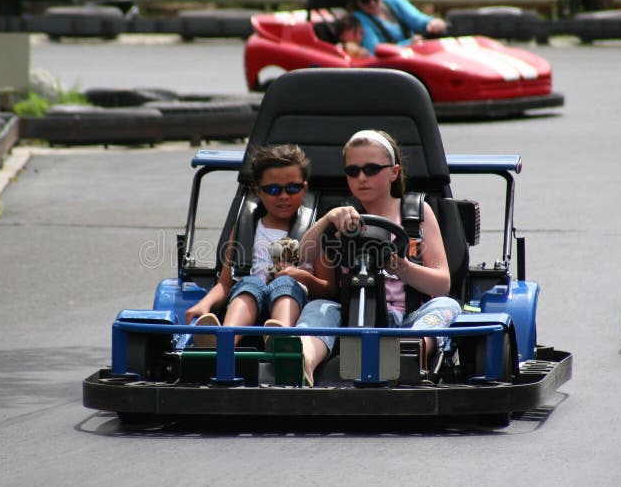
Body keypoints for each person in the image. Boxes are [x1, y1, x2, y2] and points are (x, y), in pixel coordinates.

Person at [296, 129, 461, 362]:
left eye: (371, 169)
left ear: (393, 173)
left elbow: (442, 283)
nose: (362, 177)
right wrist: (326, 220)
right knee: (318, 308)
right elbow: (302, 255)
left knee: (446, 305)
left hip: (408, 316)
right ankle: (305, 360)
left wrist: (403, 268)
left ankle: (409, 357)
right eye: (353, 171)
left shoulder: (416, 212)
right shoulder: (341, 216)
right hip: (349, 312)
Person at [184, 144, 336, 384]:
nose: (284, 196)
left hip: (295, 303)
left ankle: (282, 338)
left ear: (304, 188)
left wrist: (302, 277)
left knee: (285, 282)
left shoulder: (313, 233)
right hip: (249, 300)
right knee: (250, 283)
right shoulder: (247, 228)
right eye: (274, 189)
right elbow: (225, 283)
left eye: (292, 188)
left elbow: (329, 289)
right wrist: (204, 304)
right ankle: (225, 339)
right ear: (258, 191)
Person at [348, 0, 447, 55]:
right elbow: (374, 49)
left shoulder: (392, 0)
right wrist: (409, 43)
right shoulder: (358, 19)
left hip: (415, 54)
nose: (372, 3)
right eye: (365, 1)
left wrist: (432, 23)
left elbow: (417, 20)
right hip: (391, 67)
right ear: (357, 2)